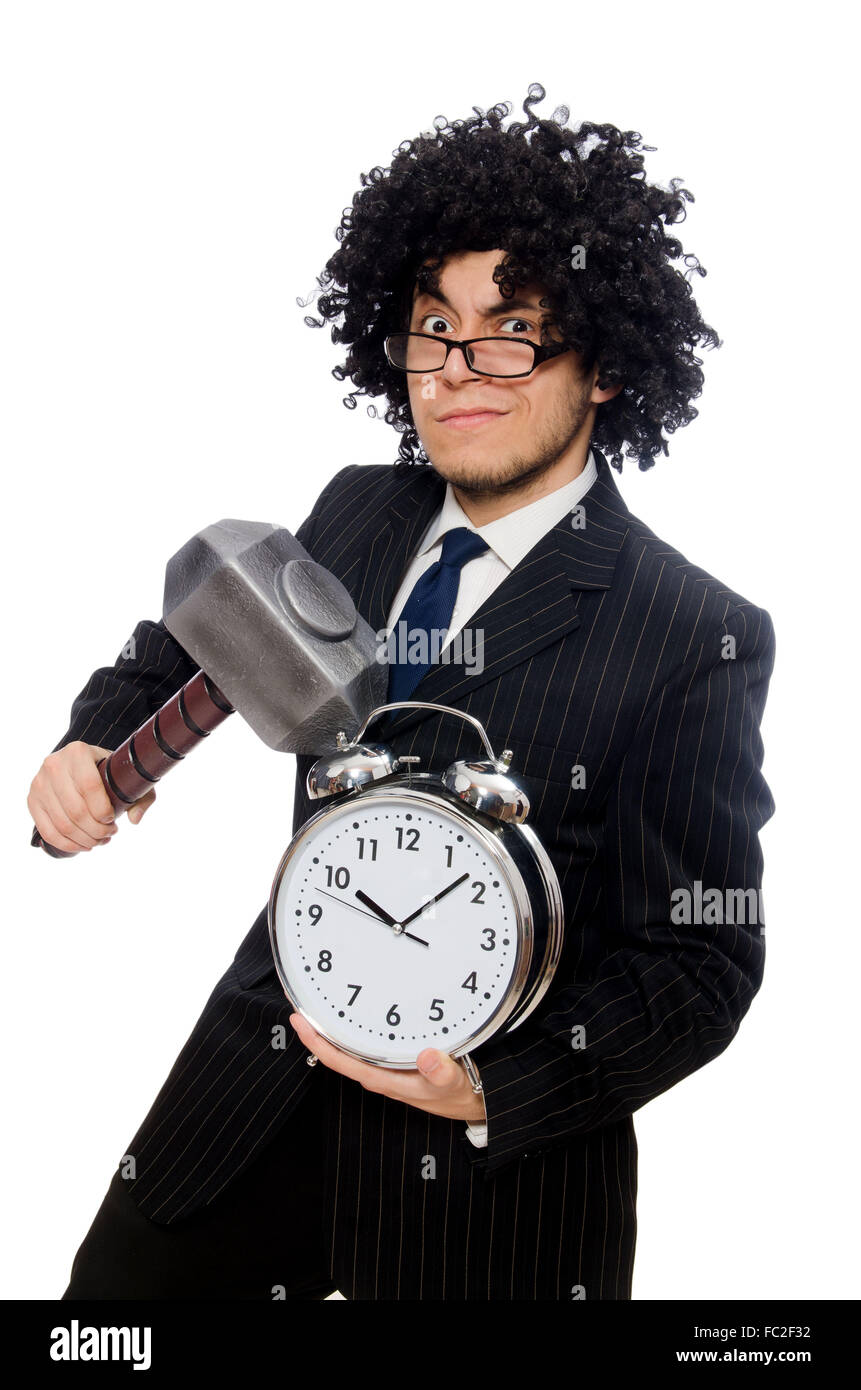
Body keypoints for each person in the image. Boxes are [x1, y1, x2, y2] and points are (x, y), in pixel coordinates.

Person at [27, 83, 775, 1301]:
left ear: (606, 367)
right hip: (242, 1102)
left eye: (512, 330)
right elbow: (190, 644)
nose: (459, 369)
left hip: (488, 1202)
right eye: (433, 327)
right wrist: (92, 745)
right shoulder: (356, 509)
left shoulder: (695, 632)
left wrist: (494, 1086)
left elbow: (700, 963)